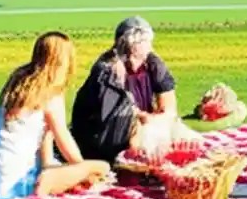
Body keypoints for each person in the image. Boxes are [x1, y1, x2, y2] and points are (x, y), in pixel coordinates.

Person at [0, 32, 111, 199]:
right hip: (12, 193)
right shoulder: (50, 93)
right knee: (102, 166)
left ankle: (53, 174)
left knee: (56, 165)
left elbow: (46, 134)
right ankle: (56, 179)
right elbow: (64, 140)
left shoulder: (17, 80)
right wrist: (83, 171)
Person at [70, 17, 182, 162]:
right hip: (103, 133)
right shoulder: (107, 70)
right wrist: (147, 120)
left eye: (139, 57)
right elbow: (120, 116)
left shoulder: (153, 63)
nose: (134, 64)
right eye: (129, 56)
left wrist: (159, 119)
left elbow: (168, 108)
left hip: (141, 124)